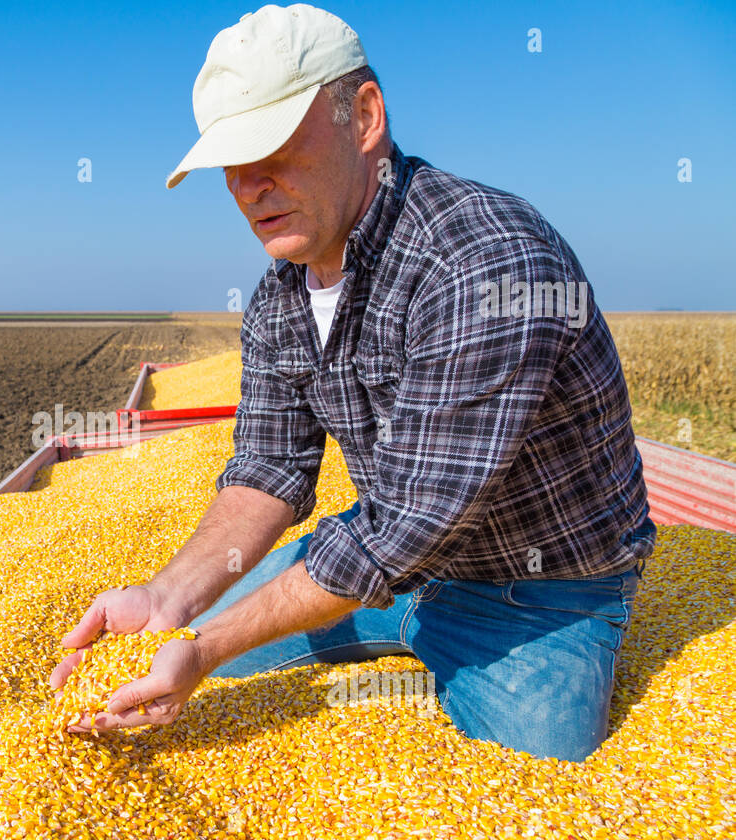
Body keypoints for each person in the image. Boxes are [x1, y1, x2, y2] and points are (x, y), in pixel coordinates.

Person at [47, 3, 654, 762]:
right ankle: (381, 623)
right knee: (192, 629)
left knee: (545, 793)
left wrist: (205, 652)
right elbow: (269, 467)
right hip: (383, 562)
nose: (250, 187)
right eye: (230, 166)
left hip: (538, 593)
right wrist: (171, 599)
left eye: (271, 148)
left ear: (363, 116)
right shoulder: (281, 296)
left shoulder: (485, 263)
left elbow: (403, 524)